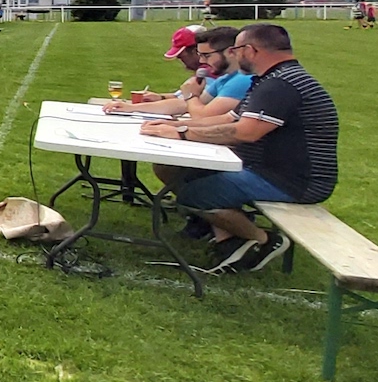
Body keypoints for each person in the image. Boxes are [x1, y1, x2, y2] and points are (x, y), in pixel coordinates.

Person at [140, 24, 339, 273]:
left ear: (250, 50)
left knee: (194, 194)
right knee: (188, 175)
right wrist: (177, 126)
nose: (233, 55)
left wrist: (182, 133)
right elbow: (230, 118)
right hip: (276, 172)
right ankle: (231, 242)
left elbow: (245, 131)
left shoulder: (279, 85)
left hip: (293, 181)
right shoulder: (275, 78)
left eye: (236, 49)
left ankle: (263, 240)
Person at [103, 27, 253, 119]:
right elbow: (182, 105)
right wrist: (131, 108)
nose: (202, 61)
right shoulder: (227, 78)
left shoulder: (241, 81)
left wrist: (191, 95)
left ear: (230, 52)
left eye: (207, 56)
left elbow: (201, 115)